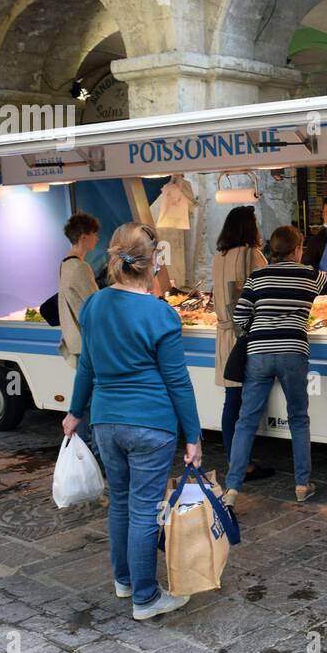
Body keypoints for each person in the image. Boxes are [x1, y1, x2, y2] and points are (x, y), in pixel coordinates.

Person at [63, 222, 203, 622]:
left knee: (120, 504)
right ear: (152, 262)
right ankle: (145, 597)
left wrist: (75, 411)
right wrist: (192, 436)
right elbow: (178, 381)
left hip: (106, 422)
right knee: (144, 510)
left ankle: (125, 580)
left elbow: (86, 366)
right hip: (151, 425)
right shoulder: (160, 314)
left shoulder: (95, 305)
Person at [225, 225, 327, 507]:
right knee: (298, 418)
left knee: (246, 421)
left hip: (258, 354)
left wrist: (259, 327)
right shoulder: (309, 275)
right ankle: (301, 484)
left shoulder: (257, 276)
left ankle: (233, 487)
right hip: (293, 352)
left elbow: (239, 316)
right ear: (297, 248)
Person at [211, 206, 273, 481]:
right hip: (249, 336)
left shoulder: (219, 256)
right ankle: (243, 464)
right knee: (244, 404)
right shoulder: (252, 255)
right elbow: (268, 291)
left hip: (225, 335)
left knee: (231, 400)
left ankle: (236, 458)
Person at [57, 212, 100, 451]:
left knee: (83, 399)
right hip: (87, 343)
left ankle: (84, 449)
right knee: (90, 402)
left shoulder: (65, 264)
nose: (96, 240)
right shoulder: (80, 267)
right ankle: (92, 451)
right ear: (84, 237)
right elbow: (95, 305)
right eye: (94, 235)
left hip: (75, 341)